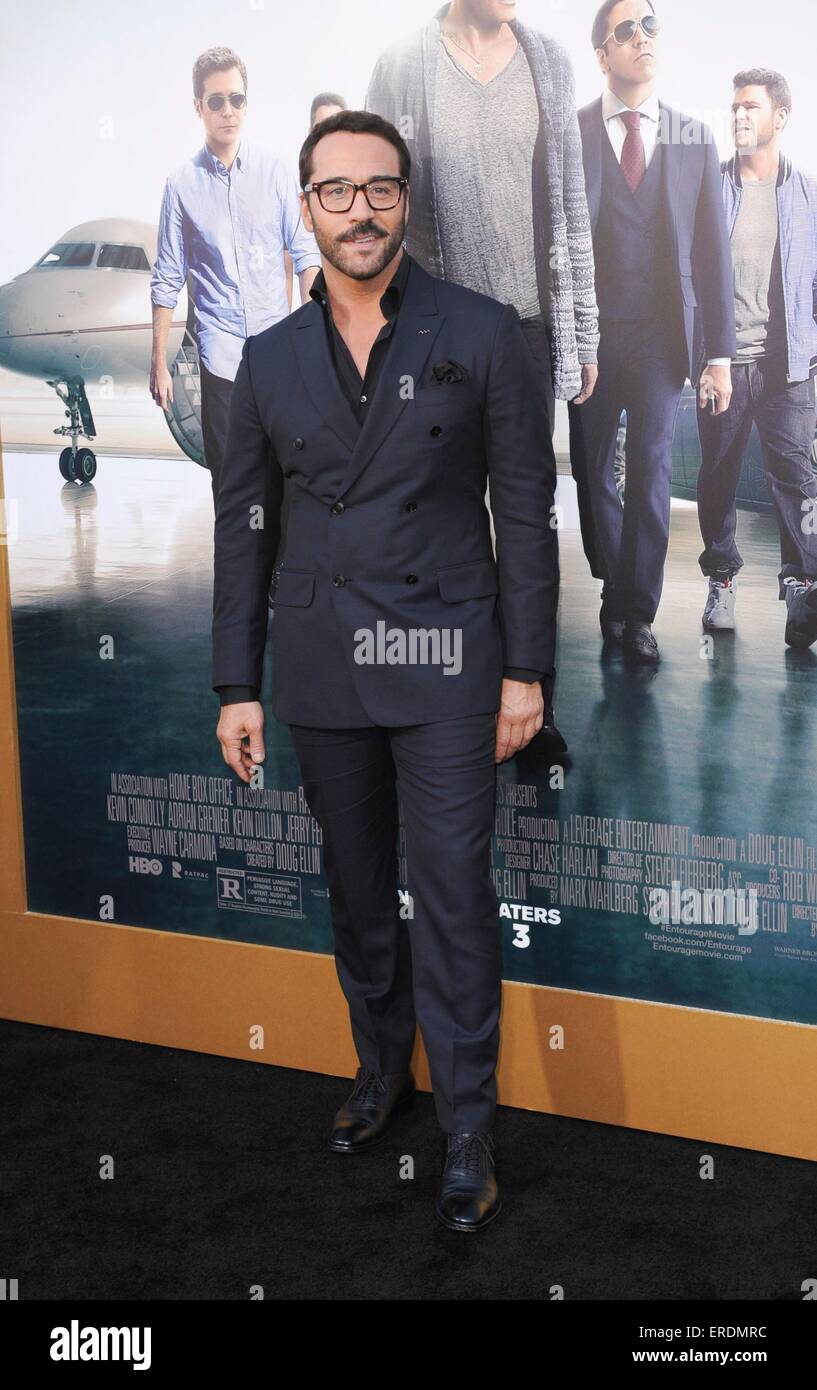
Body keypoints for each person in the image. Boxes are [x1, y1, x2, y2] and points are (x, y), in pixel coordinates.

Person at [212, 110, 560, 1232]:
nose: (358, 210)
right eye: (335, 191)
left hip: (449, 656)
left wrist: (525, 671)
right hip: (322, 665)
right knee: (360, 894)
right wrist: (237, 682)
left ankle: (466, 1125)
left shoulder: (484, 329)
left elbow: (526, 510)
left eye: (379, 188)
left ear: (404, 199)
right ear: (306, 206)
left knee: (453, 895)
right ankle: (380, 1070)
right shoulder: (265, 360)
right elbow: (242, 531)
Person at [365, 0, 601, 761]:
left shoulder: (548, 61)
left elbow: (569, 208)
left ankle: (532, 705)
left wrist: (582, 329)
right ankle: (441, 704)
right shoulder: (403, 62)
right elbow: (376, 204)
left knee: (527, 521)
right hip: (432, 334)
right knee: (433, 520)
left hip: (527, 331)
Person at [568, 0, 736, 664]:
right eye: (625, 31)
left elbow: (710, 256)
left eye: (649, 26)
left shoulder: (693, 137)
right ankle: (617, 579)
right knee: (588, 473)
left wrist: (717, 355)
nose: (641, 38)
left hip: (663, 339)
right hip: (589, 339)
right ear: (601, 54)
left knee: (651, 469)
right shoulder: (571, 132)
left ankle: (635, 613)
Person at [149, 47, 321, 506]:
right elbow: (167, 277)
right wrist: (158, 362)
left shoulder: (276, 172)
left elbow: (306, 254)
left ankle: (281, 579)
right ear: (198, 108)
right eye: (216, 101)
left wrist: (318, 333)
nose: (229, 111)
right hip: (220, 360)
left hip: (276, 357)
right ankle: (239, 580)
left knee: (287, 486)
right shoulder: (181, 185)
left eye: (237, 100)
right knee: (231, 490)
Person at [695, 69, 817, 649]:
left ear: (780, 117)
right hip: (724, 362)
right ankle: (721, 579)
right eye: (734, 106)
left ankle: (803, 586)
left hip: (788, 367)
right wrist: (704, 356)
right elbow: (689, 277)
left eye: (751, 107)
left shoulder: (808, 195)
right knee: (717, 475)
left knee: (798, 478)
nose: (739, 116)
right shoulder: (711, 190)